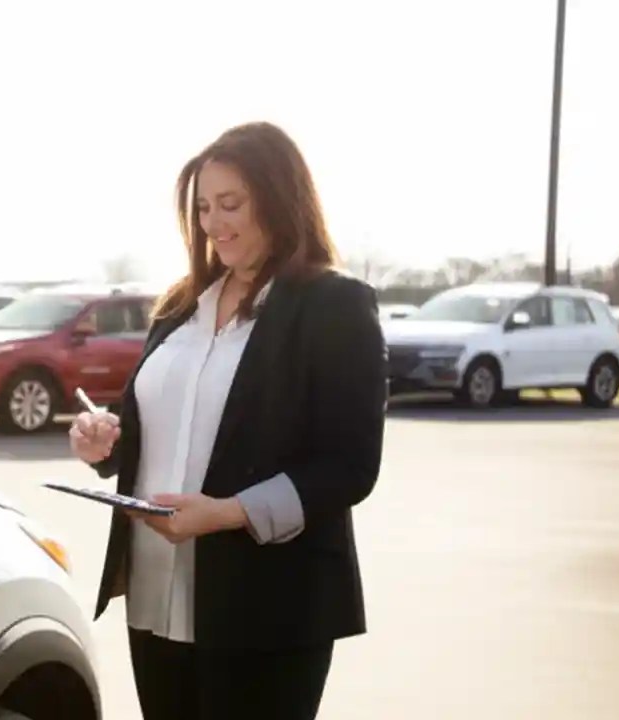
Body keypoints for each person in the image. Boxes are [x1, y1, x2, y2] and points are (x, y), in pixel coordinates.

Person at [68, 121, 388, 719]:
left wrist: (227, 514)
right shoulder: (183, 304)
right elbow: (166, 423)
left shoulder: (334, 305)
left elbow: (349, 467)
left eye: (231, 203)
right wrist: (107, 439)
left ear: (278, 194)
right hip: (155, 590)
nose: (214, 223)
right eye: (204, 208)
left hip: (266, 602)